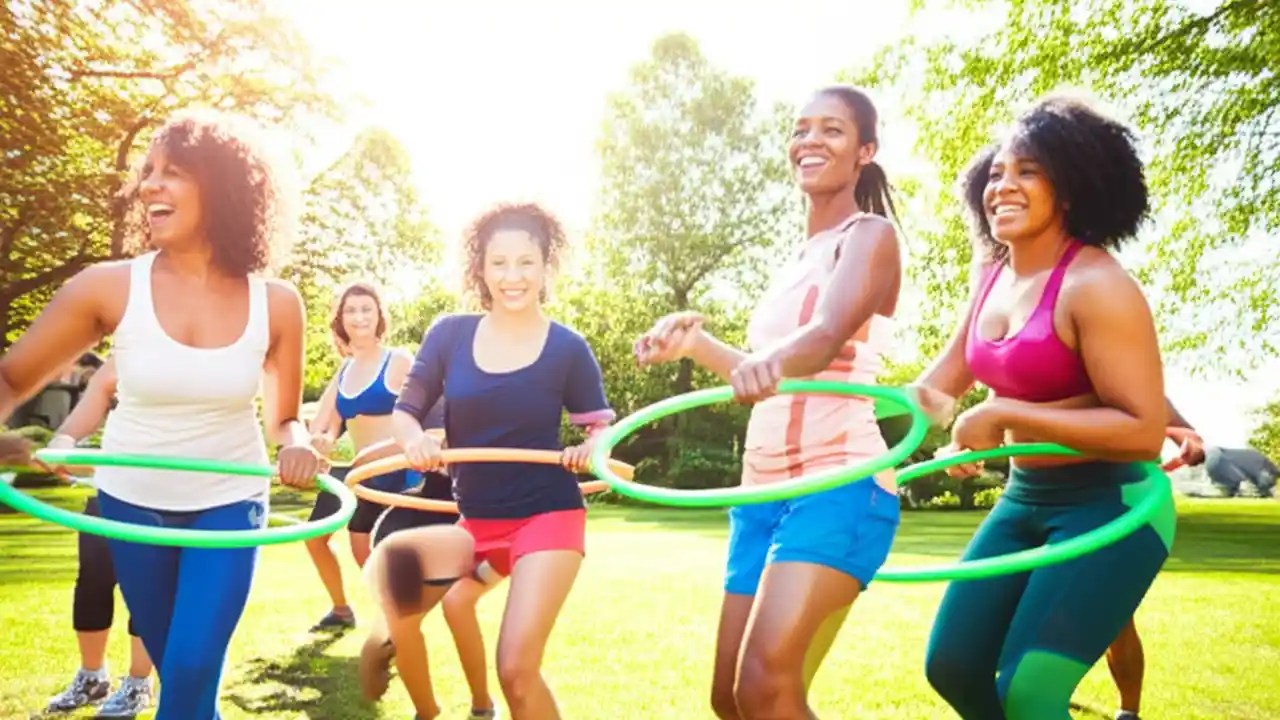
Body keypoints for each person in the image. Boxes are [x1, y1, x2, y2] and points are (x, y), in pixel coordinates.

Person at [0, 109, 321, 720]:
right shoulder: (107, 287)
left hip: (229, 498)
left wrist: (298, 442)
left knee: (193, 667)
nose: (148, 185)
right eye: (147, 172)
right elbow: (13, 377)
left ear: (224, 188)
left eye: (172, 172)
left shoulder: (277, 304)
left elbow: (283, 419)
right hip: (131, 500)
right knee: (182, 674)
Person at [635, 85, 903, 719]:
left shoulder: (870, 237)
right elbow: (768, 373)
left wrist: (767, 363)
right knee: (730, 701)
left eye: (832, 131)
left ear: (865, 150)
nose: (810, 140)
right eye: (800, 128)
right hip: (759, 495)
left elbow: (826, 337)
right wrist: (696, 346)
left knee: (763, 686)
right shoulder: (794, 261)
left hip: (839, 483)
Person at [908, 94, 1173, 719]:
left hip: (1113, 506)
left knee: (1030, 693)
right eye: (997, 172)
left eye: (1028, 171)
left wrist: (1005, 417)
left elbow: (1143, 431)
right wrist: (864, 430)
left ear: (1072, 188)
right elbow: (943, 383)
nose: (1004, 185)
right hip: (1025, 498)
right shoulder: (993, 272)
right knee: (952, 667)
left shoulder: (1097, 286)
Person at [373, 201, 614, 720]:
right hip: (476, 524)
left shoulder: (568, 348)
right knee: (411, 591)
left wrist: (591, 447)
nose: (512, 276)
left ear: (546, 267)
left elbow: (600, 427)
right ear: (479, 268)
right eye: (499, 262)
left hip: (547, 514)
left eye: (526, 262)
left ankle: (486, 699)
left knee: (517, 669)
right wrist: (414, 439)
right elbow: (405, 413)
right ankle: (436, 693)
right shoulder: (448, 335)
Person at [39, 356, 156, 717]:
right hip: (110, 487)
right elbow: (90, 412)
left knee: (146, 586)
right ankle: (92, 677)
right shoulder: (123, 367)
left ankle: (138, 682)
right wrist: (64, 445)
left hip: (160, 492)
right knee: (92, 579)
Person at [301, 281, 419, 632]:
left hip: (398, 470)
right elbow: (323, 427)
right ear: (341, 320)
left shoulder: (398, 361)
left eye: (366, 309)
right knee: (317, 536)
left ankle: (399, 620)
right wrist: (319, 444)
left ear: (379, 316)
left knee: (372, 550)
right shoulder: (344, 372)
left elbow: (423, 417)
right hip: (359, 474)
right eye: (351, 310)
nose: (359, 316)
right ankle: (341, 609)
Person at [1104, 418, 1204, 720]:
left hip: (1122, 501)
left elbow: (1184, 430)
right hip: (1048, 498)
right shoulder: (1039, 377)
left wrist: (1191, 443)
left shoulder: (1128, 376)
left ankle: (1128, 712)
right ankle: (1042, 687)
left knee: (1114, 615)